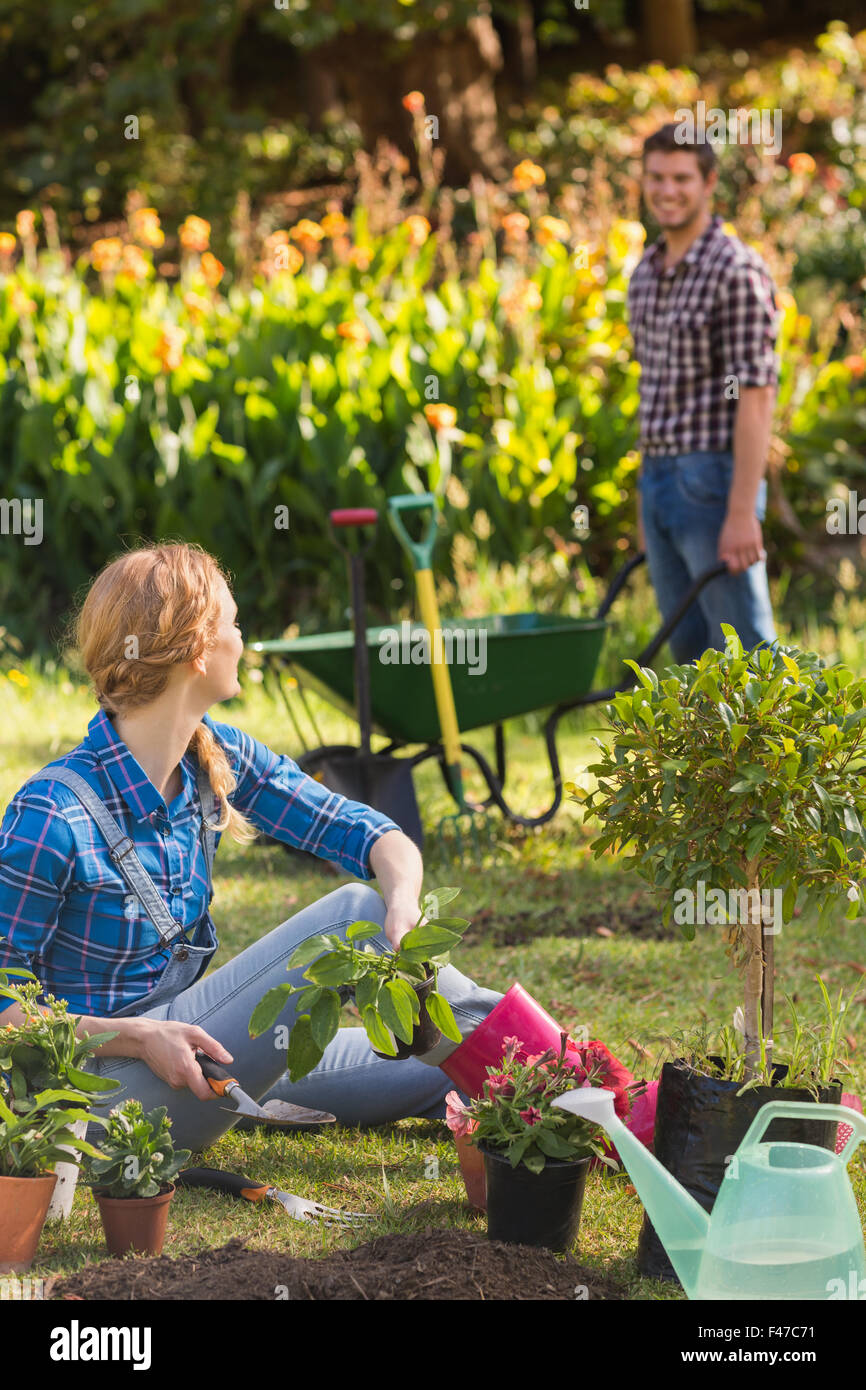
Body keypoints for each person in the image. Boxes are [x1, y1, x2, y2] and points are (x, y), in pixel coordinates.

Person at [0, 542, 631, 1152]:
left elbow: (370, 833)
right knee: (354, 916)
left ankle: (578, 1109)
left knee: (449, 1062)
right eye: (234, 622)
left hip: (196, 1064)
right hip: (96, 1102)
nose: (243, 641)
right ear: (196, 649)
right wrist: (137, 1037)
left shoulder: (210, 754)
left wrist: (403, 908)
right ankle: (595, 1090)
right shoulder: (52, 811)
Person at [628, 121, 780, 663]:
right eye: (656, 177)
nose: (666, 190)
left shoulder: (734, 271)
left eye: (681, 178)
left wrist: (742, 512)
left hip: (713, 481)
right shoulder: (645, 273)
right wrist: (646, 504)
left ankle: (782, 751)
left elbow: (756, 395)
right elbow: (653, 390)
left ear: (709, 182)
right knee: (691, 655)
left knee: (746, 654)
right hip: (660, 483)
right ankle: (700, 755)